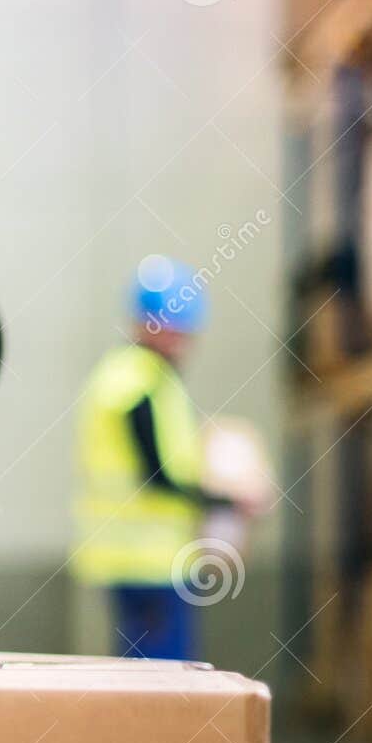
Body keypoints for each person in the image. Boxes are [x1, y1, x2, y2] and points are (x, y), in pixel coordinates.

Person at [70, 255, 250, 662]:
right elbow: (156, 474)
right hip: (149, 560)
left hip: (131, 556)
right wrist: (228, 501)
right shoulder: (140, 382)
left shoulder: (129, 374)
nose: (183, 341)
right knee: (162, 677)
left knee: (144, 675)